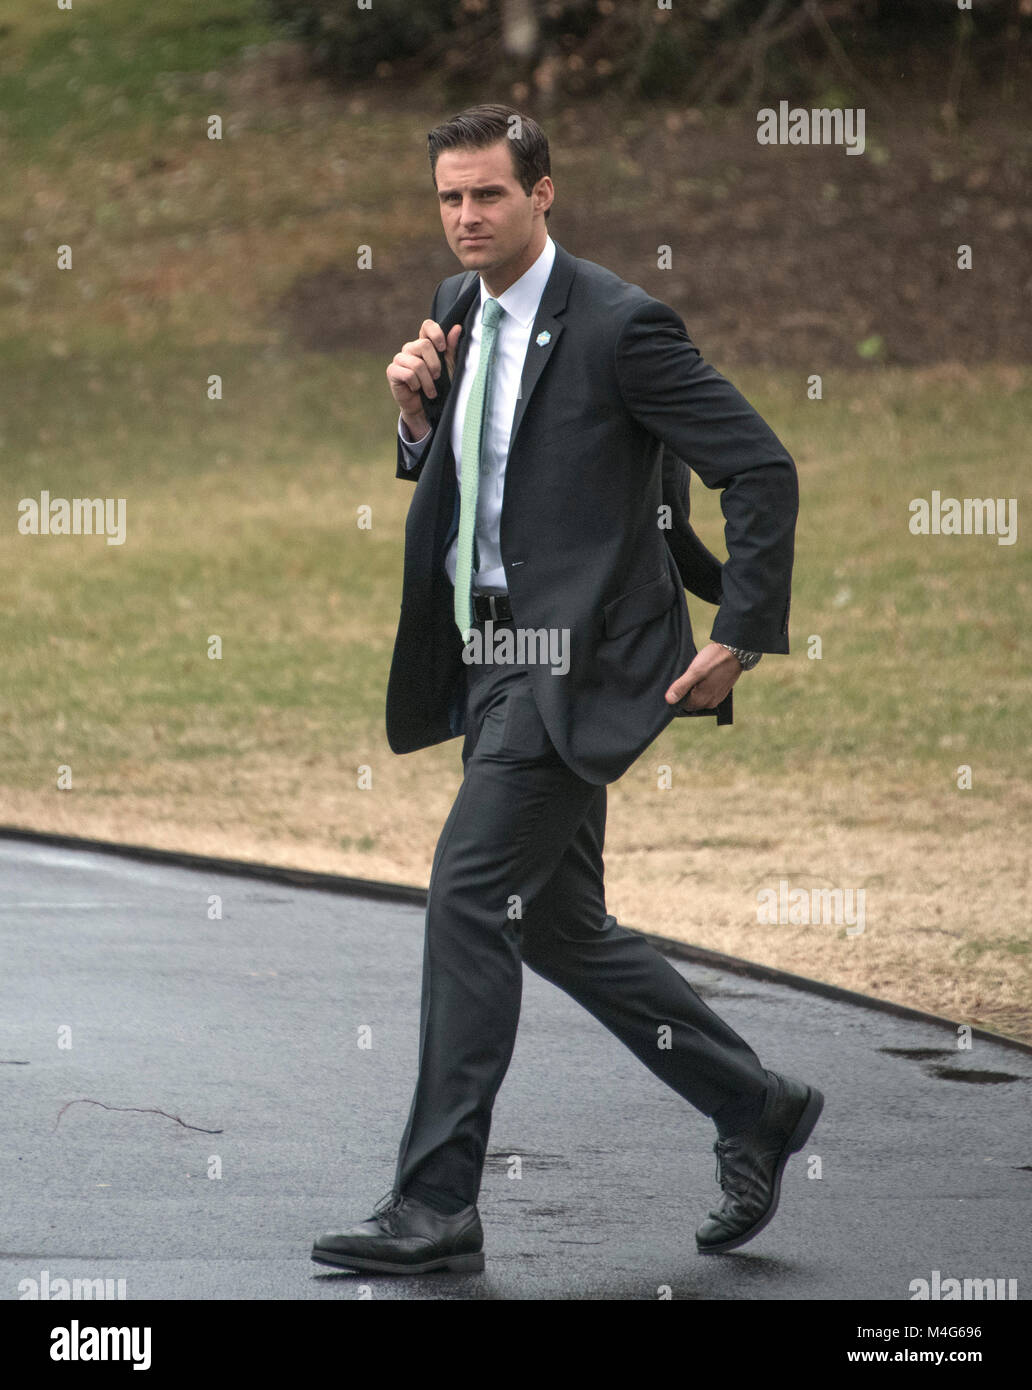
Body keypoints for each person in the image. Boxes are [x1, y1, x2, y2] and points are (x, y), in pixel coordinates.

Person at [312, 103, 822, 1276]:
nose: (466, 217)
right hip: (488, 657)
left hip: (576, 665)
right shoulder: (454, 312)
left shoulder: (621, 326)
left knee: (466, 896)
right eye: (448, 197)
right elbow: (490, 472)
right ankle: (756, 1102)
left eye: (488, 194)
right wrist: (414, 420)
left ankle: (436, 1204)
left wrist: (740, 632)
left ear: (544, 194)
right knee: (558, 926)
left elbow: (758, 466)